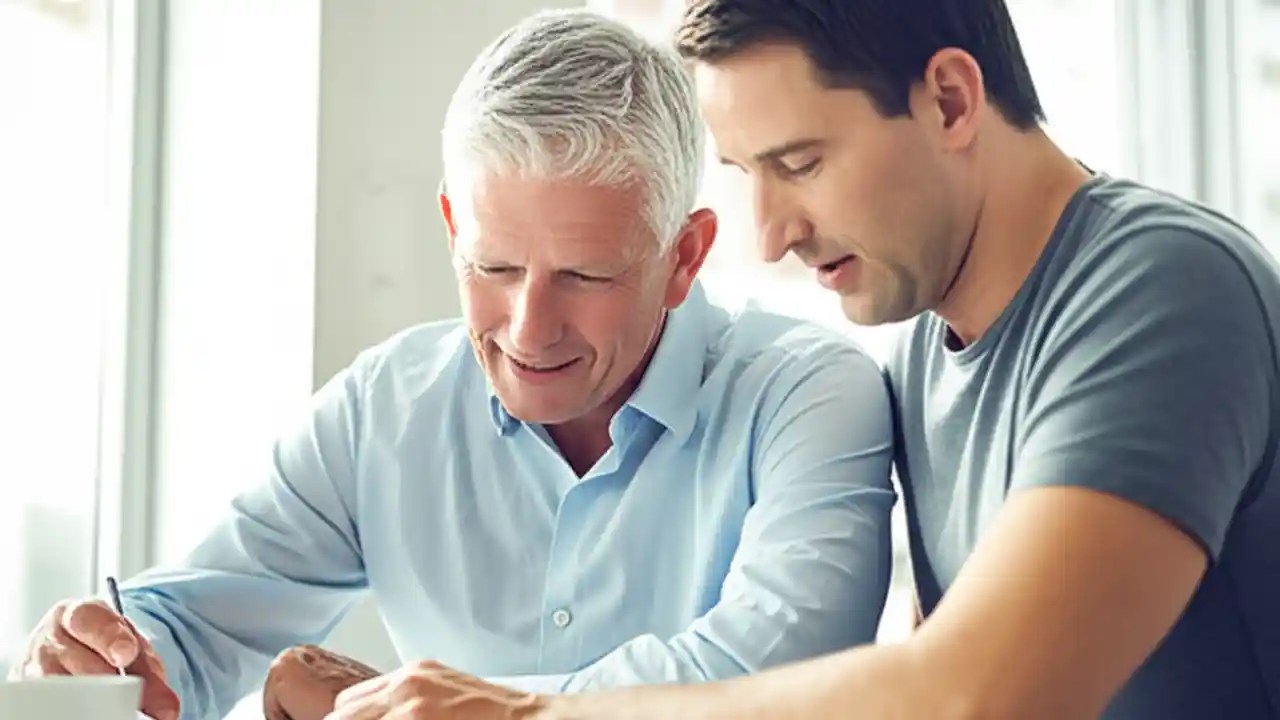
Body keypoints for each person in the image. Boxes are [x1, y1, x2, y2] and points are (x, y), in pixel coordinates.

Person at [308, 1, 1280, 718]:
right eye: (744, 174)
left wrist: (527, 713)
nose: (767, 235)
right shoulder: (923, 361)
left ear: (946, 99)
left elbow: (970, 693)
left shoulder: (1154, 288)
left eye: (799, 163)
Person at [9, 9, 899, 720]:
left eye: (585, 275)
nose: (528, 328)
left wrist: (495, 711)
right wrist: (112, 652)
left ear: (685, 256)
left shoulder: (811, 396)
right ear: (451, 228)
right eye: (493, 266)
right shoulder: (384, 410)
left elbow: (775, 679)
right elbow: (195, 628)